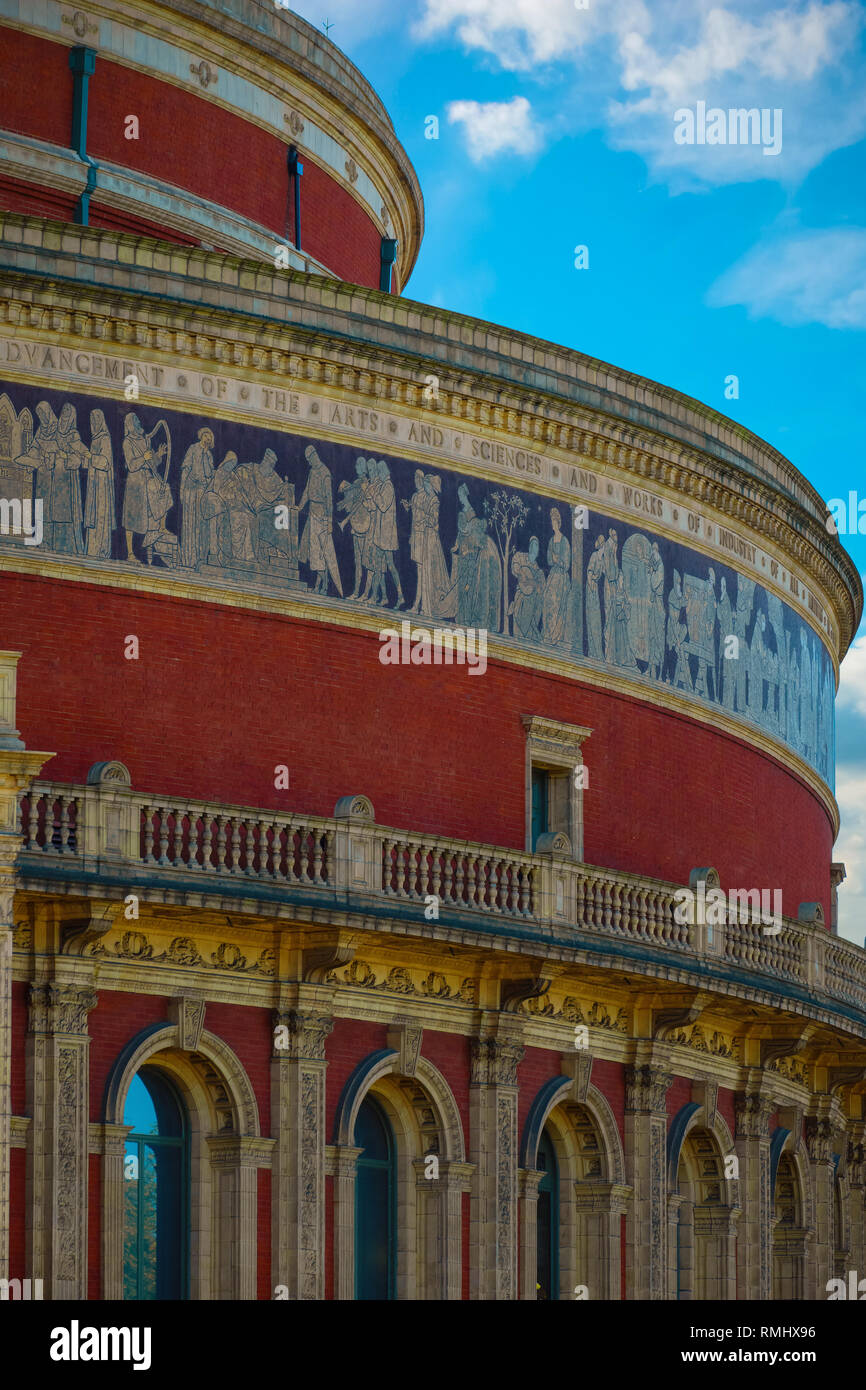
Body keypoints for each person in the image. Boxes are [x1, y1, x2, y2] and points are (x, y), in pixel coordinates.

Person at [122, 413, 169, 563]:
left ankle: (161, 526)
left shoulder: (144, 439)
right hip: (135, 483)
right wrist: (144, 458)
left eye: (138, 419)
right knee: (131, 518)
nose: (138, 422)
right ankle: (130, 553)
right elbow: (131, 465)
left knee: (165, 489)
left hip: (147, 479)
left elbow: (152, 462)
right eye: (134, 421)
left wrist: (158, 455)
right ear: (130, 425)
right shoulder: (127, 442)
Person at [299, 443, 341, 595]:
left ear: (314, 456)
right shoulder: (312, 471)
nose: (308, 462)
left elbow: (329, 500)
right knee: (313, 553)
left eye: (309, 459)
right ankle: (320, 584)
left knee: (321, 554)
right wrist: (299, 507)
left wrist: (329, 522)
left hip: (322, 517)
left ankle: (323, 584)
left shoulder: (325, 473)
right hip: (312, 514)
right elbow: (306, 492)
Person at [52, 403, 87, 554]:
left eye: (68, 410)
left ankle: (70, 548)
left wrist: (66, 456)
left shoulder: (74, 434)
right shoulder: (55, 433)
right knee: (57, 512)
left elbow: (81, 457)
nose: (65, 412)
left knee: (68, 513)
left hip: (69, 479)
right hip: (56, 478)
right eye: (63, 409)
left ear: (72, 415)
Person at [179, 427, 215, 568]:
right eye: (206, 435)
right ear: (201, 436)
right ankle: (189, 559)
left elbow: (210, 475)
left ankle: (200, 558)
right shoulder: (193, 449)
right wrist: (182, 488)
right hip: (190, 490)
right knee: (190, 524)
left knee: (201, 526)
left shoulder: (209, 455)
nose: (208, 438)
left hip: (202, 493)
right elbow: (186, 468)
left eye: (210, 437)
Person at [83, 408, 116, 559]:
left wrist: (91, 456)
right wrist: (83, 456)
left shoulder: (104, 438)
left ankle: (101, 550)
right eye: (91, 421)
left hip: (102, 485)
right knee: (93, 516)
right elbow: (89, 463)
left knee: (100, 515)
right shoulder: (95, 438)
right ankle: (91, 549)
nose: (93, 424)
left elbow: (105, 462)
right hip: (93, 483)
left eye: (95, 420)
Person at [338, 457, 372, 599]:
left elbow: (358, 503)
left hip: (364, 525)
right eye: (357, 463)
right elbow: (350, 499)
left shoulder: (364, 483)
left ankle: (365, 593)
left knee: (367, 562)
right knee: (358, 562)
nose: (357, 466)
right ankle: (356, 592)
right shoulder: (357, 483)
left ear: (364, 468)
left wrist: (345, 520)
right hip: (356, 524)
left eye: (359, 464)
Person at [542, 507, 571, 645]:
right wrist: (553, 559)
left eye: (554, 522)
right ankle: (547, 633)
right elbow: (548, 559)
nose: (552, 524)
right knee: (547, 599)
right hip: (553, 574)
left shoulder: (565, 541)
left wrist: (557, 559)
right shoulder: (551, 540)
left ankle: (555, 636)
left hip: (561, 577)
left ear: (558, 523)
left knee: (557, 604)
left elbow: (566, 564)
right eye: (551, 522)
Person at [509, 536, 543, 641]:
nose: (534, 547)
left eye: (536, 545)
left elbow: (539, 586)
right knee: (518, 617)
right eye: (532, 544)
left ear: (538, 551)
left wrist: (531, 582)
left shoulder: (538, 569)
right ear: (529, 547)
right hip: (521, 596)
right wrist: (520, 572)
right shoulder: (521, 557)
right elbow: (515, 565)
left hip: (532, 601)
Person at [647, 542, 665, 679]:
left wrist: (652, 571)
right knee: (652, 636)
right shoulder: (656, 566)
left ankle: (660, 673)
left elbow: (654, 584)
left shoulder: (660, 568)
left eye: (653, 551)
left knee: (659, 639)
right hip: (654, 606)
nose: (652, 554)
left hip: (658, 607)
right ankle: (650, 668)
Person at [585, 534, 605, 660]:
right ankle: (593, 651)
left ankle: (597, 652)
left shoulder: (602, 560)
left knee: (596, 620)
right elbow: (589, 571)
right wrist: (591, 584)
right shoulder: (594, 556)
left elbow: (606, 573)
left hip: (595, 589)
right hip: (590, 587)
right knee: (592, 618)